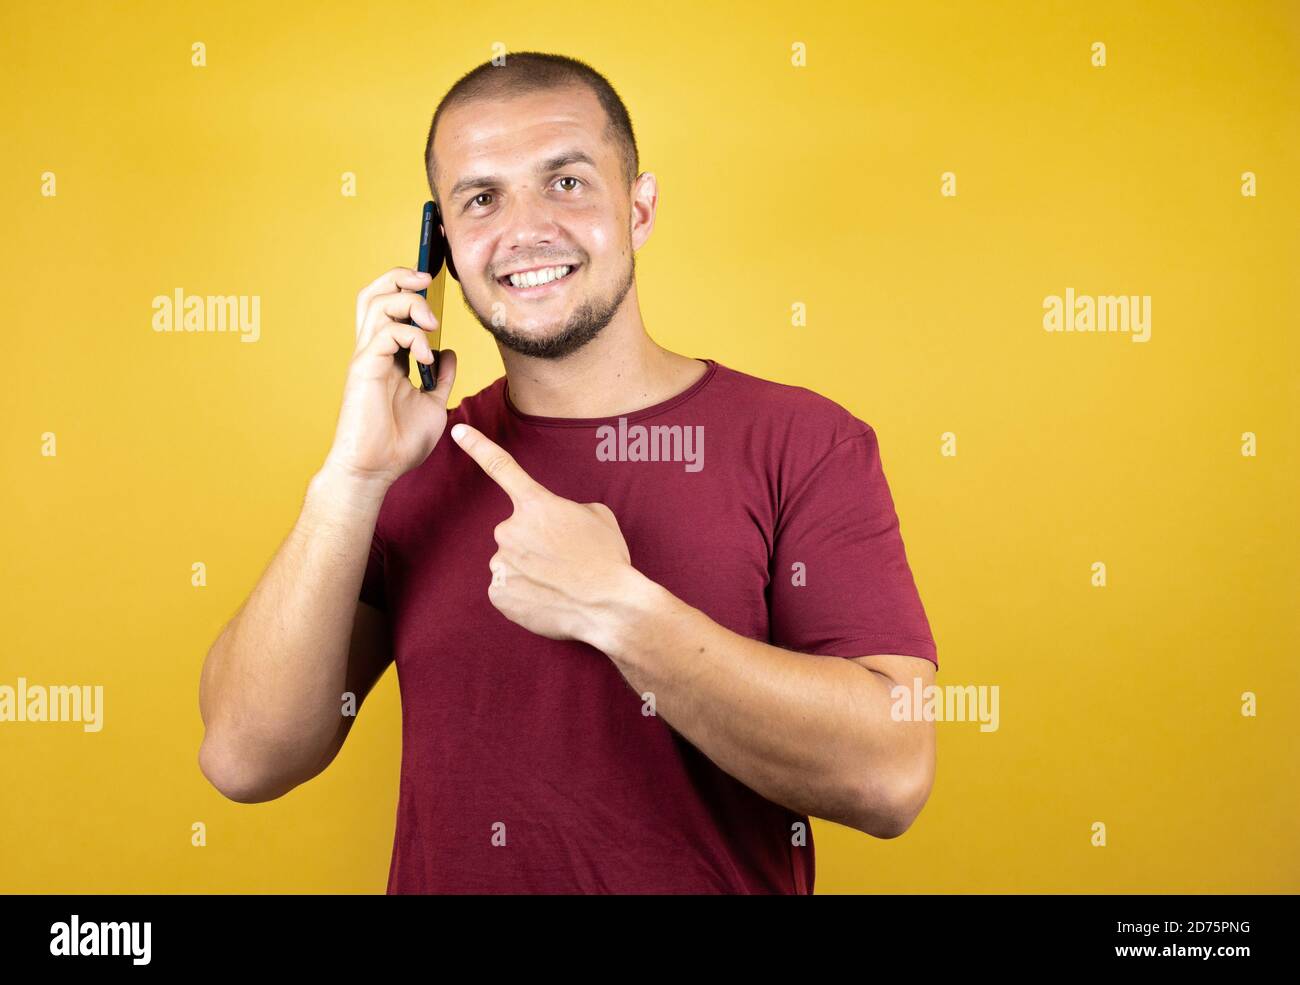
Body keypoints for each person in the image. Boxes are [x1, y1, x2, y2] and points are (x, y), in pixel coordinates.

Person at [198, 51, 939, 894]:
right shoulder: (411, 458)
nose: (525, 231)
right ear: (441, 245)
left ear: (640, 209)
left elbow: (893, 773)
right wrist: (352, 477)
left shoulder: (805, 440)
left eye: (567, 183)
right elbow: (242, 756)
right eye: (482, 199)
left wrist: (617, 609)